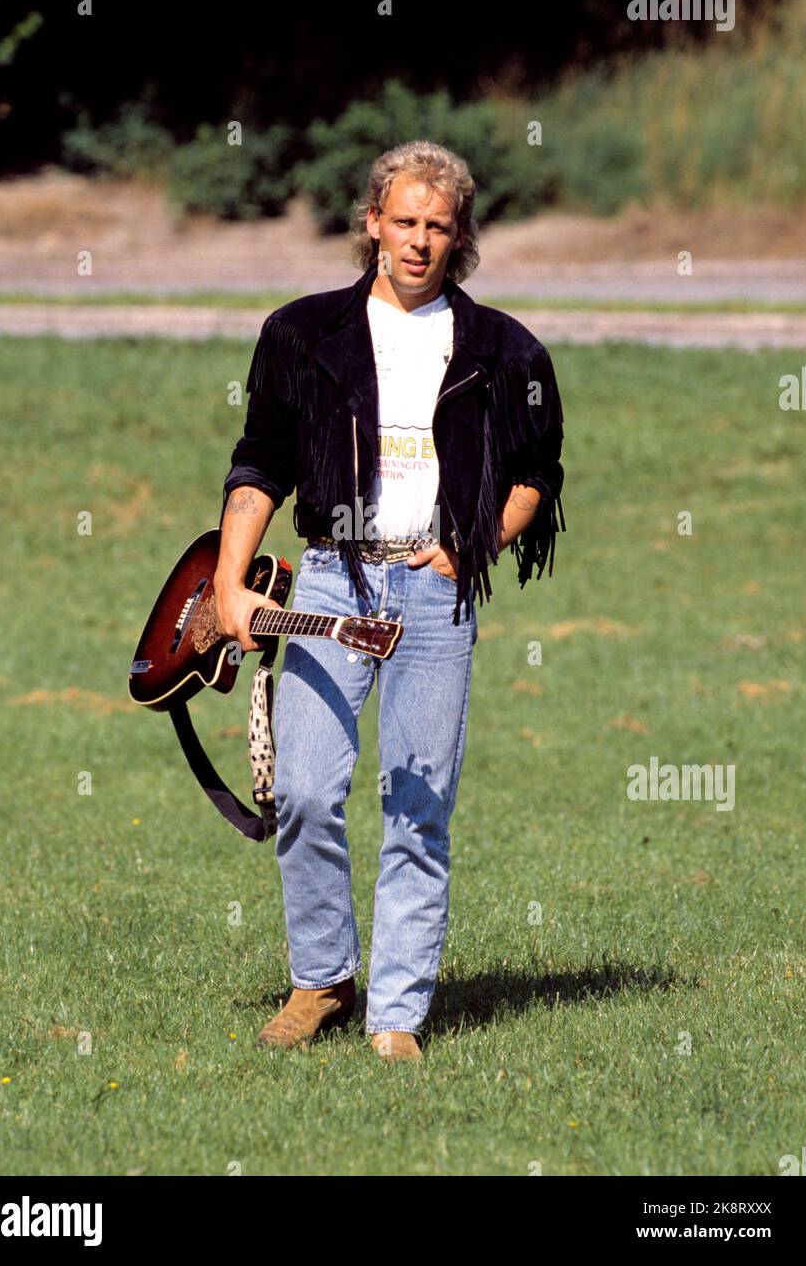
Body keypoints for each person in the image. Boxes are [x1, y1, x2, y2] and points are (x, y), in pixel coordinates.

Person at [214, 140, 566, 1062]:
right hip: (331, 579)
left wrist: (475, 545)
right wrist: (228, 581)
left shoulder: (502, 349)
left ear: (460, 239)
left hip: (435, 598)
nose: (417, 241)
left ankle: (397, 1015)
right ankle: (323, 977)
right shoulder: (303, 333)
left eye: (437, 227)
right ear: (372, 221)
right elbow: (261, 464)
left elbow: (537, 474)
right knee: (302, 788)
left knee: (417, 806)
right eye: (403, 221)